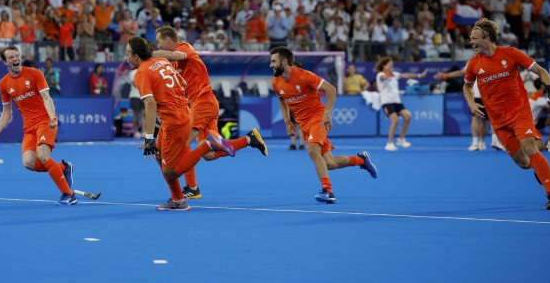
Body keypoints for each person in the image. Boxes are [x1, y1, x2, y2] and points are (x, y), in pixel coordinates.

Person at [153, 25, 267, 199]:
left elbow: (173, 55)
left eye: (159, 42)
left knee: (183, 143)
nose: (158, 46)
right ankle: (250, 139)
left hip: (203, 103)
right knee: (208, 155)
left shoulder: (184, 48)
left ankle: (191, 187)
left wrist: (151, 54)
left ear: (168, 40)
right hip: (205, 104)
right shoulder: (174, 63)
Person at [125, 37, 235, 211]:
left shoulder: (141, 73)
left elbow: (150, 104)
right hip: (184, 113)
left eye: (128, 54)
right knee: (158, 154)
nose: (126, 58)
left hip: (173, 121)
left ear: (137, 57)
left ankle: (208, 145)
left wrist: (148, 138)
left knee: (170, 171)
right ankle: (178, 200)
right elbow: (183, 83)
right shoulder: (161, 61)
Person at [463, 19, 550, 210]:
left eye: (474, 38)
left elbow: (540, 70)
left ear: (486, 38)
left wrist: (549, 86)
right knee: (523, 163)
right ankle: (539, 168)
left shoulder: (511, 54)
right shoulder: (473, 64)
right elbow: (467, 87)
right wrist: (471, 103)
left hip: (519, 112)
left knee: (530, 147)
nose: (471, 41)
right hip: (498, 121)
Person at [270, 46, 377, 204]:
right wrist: (288, 121)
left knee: (312, 149)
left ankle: (328, 191)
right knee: (330, 163)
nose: (270, 65)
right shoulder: (276, 82)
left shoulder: (304, 75)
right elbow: (281, 98)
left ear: (284, 62)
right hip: (304, 124)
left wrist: (327, 112)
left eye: (273, 61)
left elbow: (331, 89)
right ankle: (361, 160)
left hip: (318, 117)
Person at [0, 46, 77, 205]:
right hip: (29, 127)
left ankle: (68, 194)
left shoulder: (35, 73)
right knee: (29, 163)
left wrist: (52, 118)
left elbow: (47, 98)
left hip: (45, 121)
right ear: (5, 62)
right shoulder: (3, 84)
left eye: (17, 56)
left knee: (42, 155)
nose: (15, 59)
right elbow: (7, 111)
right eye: (11, 57)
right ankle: (63, 168)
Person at [435, 67, 504, 151]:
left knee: (477, 118)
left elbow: (461, 72)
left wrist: (444, 75)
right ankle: (492, 141)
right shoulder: (491, 60)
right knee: (491, 119)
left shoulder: (473, 61)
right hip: (489, 93)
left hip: (478, 93)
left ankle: (476, 143)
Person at [375, 57, 427, 151]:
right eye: (389, 65)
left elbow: (406, 75)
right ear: (384, 66)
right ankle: (389, 143)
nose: (391, 66)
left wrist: (420, 75)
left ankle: (401, 139)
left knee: (407, 116)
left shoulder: (395, 74)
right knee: (395, 120)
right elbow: (384, 78)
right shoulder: (380, 75)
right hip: (386, 102)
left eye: (392, 65)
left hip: (397, 102)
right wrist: (388, 73)